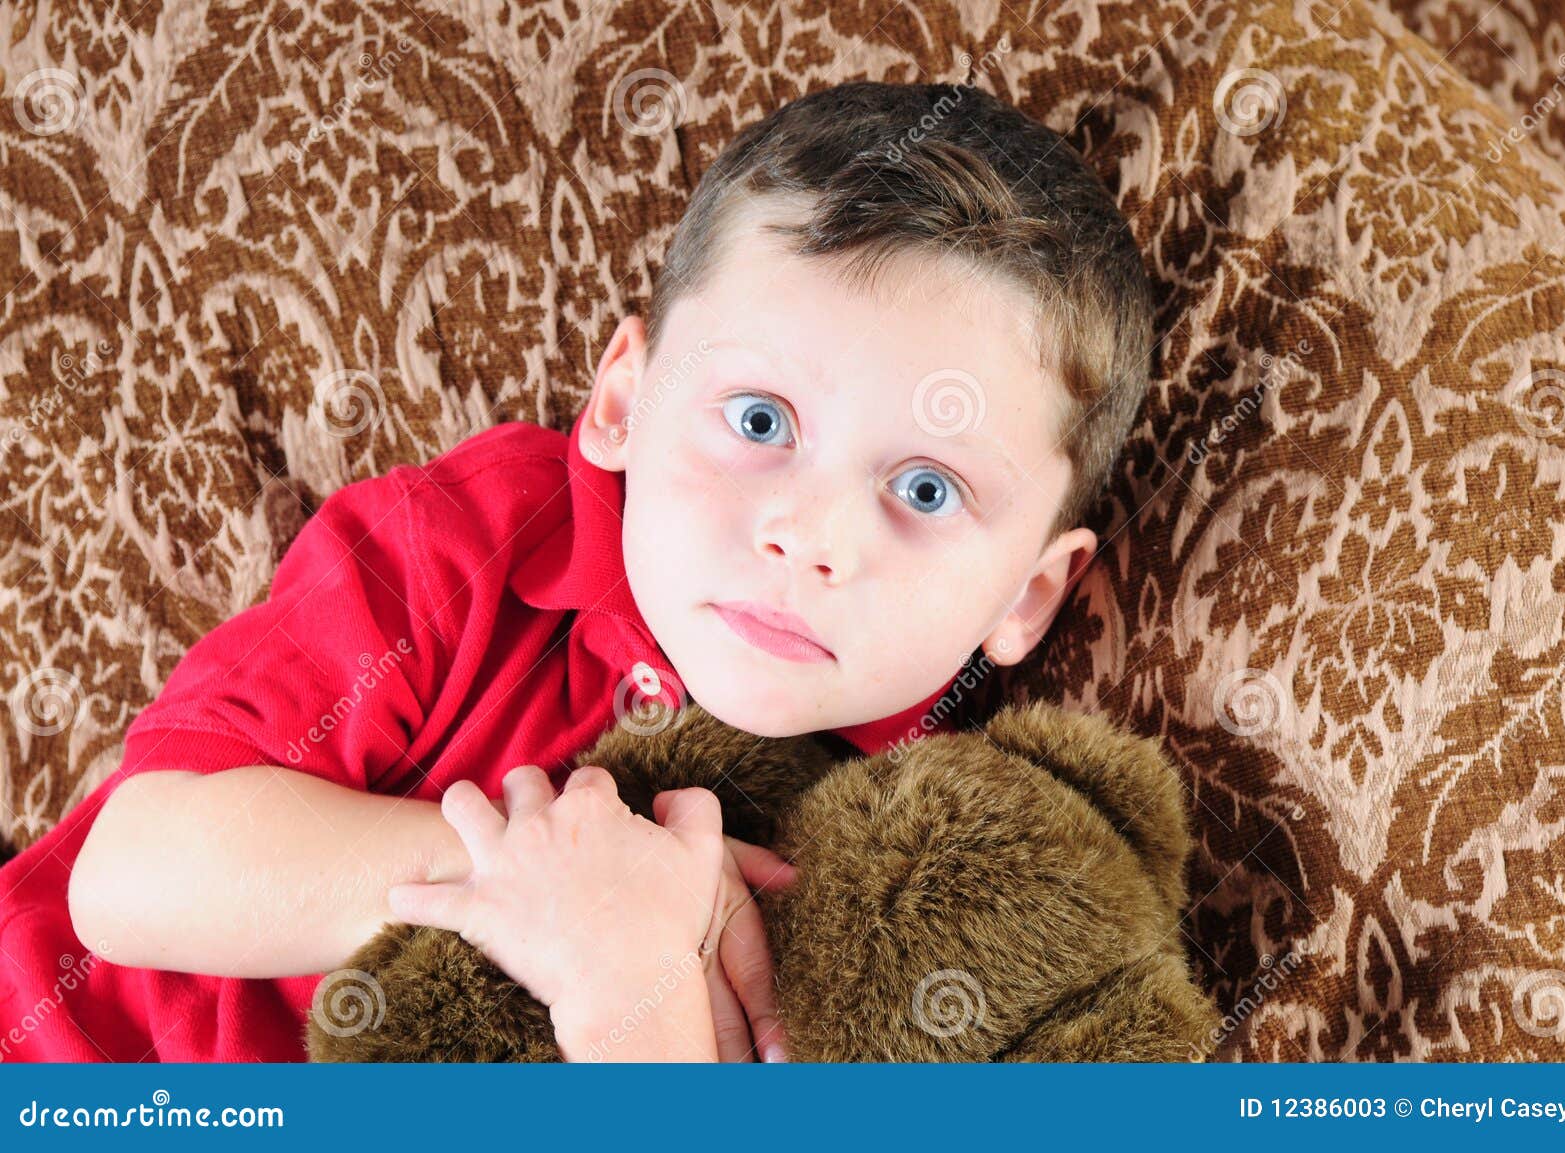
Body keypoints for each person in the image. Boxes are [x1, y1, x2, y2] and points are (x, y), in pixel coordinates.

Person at [0, 79, 1152, 1063]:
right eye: (757, 420)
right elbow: (131, 879)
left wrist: (630, 988)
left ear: (1027, 596)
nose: (810, 538)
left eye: (925, 490)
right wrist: (571, 884)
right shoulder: (476, 540)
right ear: (621, 403)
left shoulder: (921, 852)